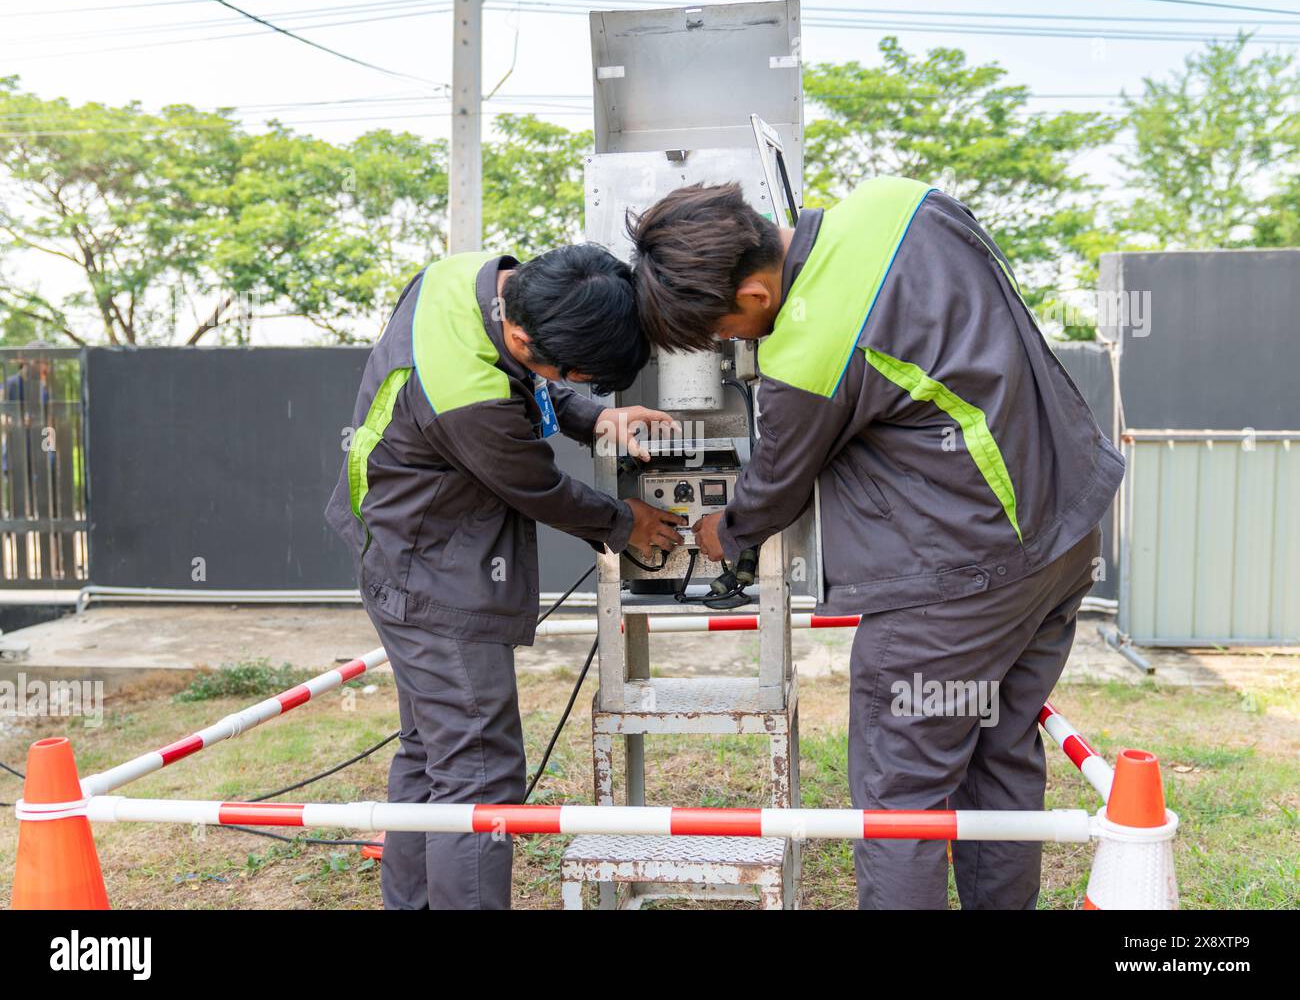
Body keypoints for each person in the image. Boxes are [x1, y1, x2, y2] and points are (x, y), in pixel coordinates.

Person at [627, 178, 1124, 909]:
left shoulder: (806, 357)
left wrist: (720, 531)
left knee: (901, 799)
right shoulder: (904, 204)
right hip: (1065, 529)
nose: (729, 346)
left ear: (757, 298)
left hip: (958, 581)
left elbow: (775, 486)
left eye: (723, 332)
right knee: (1001, 753)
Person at [326, 244, 685, 910]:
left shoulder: (465, 281)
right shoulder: (470, 401)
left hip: (394, 544)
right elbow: (537, 486)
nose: (569, 380)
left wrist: (594, 414)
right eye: (575, 373)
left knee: (432, 754)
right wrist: (623, 521)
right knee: (478, 772)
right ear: (523, 335)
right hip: (432, 576)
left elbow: (534, 379)